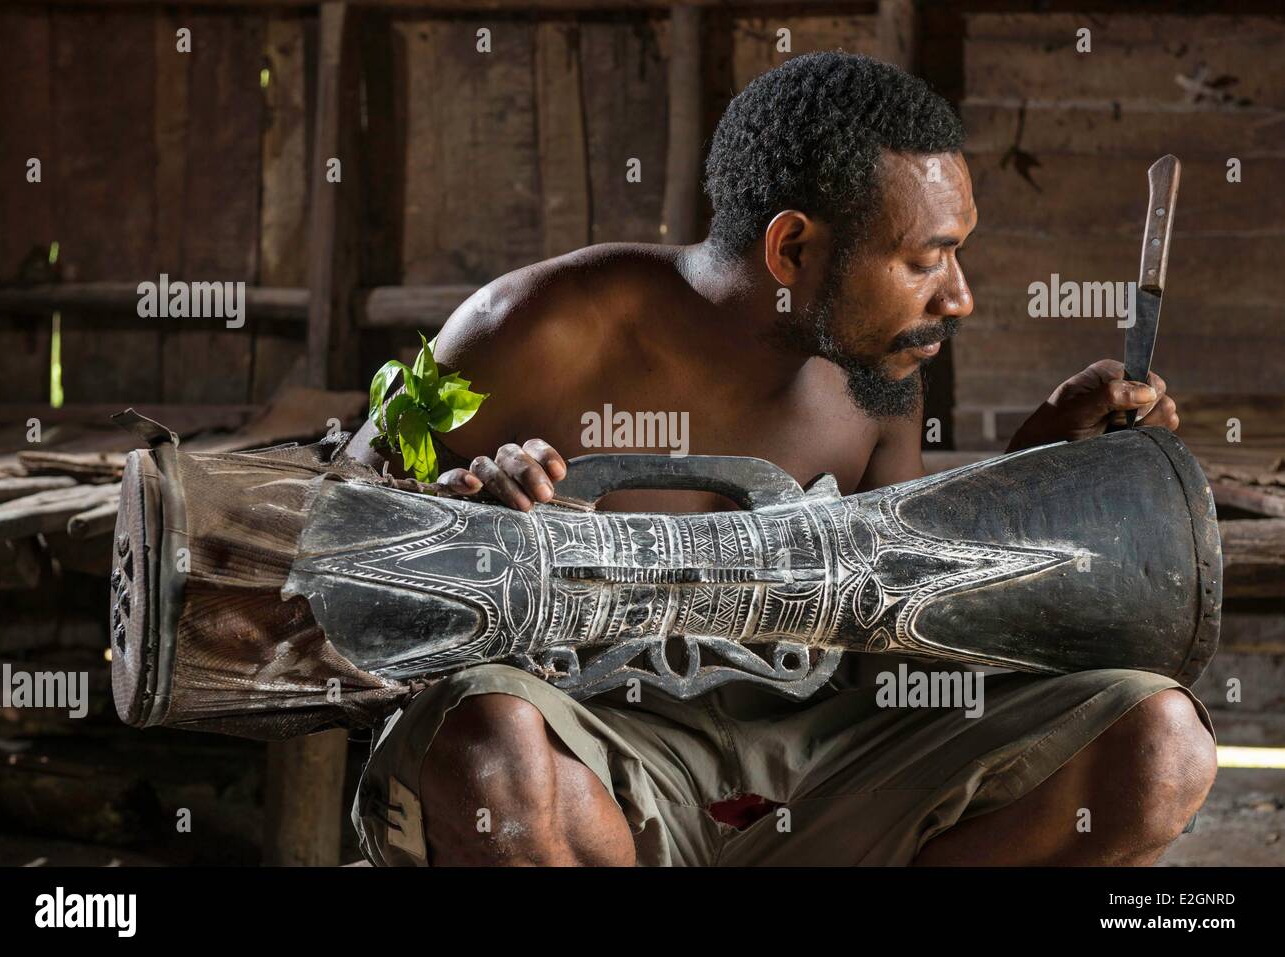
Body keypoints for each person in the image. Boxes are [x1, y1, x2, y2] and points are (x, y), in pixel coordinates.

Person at [347, 52, 1215, 866]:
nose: (959, 296)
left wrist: (1043, 471)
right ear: (792, 249)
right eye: (926, 259)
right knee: (487, 742)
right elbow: (333, 532)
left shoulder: (878, 382)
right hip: (605, 766)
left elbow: (904, 645)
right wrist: (463, 508)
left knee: (1159, 742)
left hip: (828, 763)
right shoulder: (534, 329)